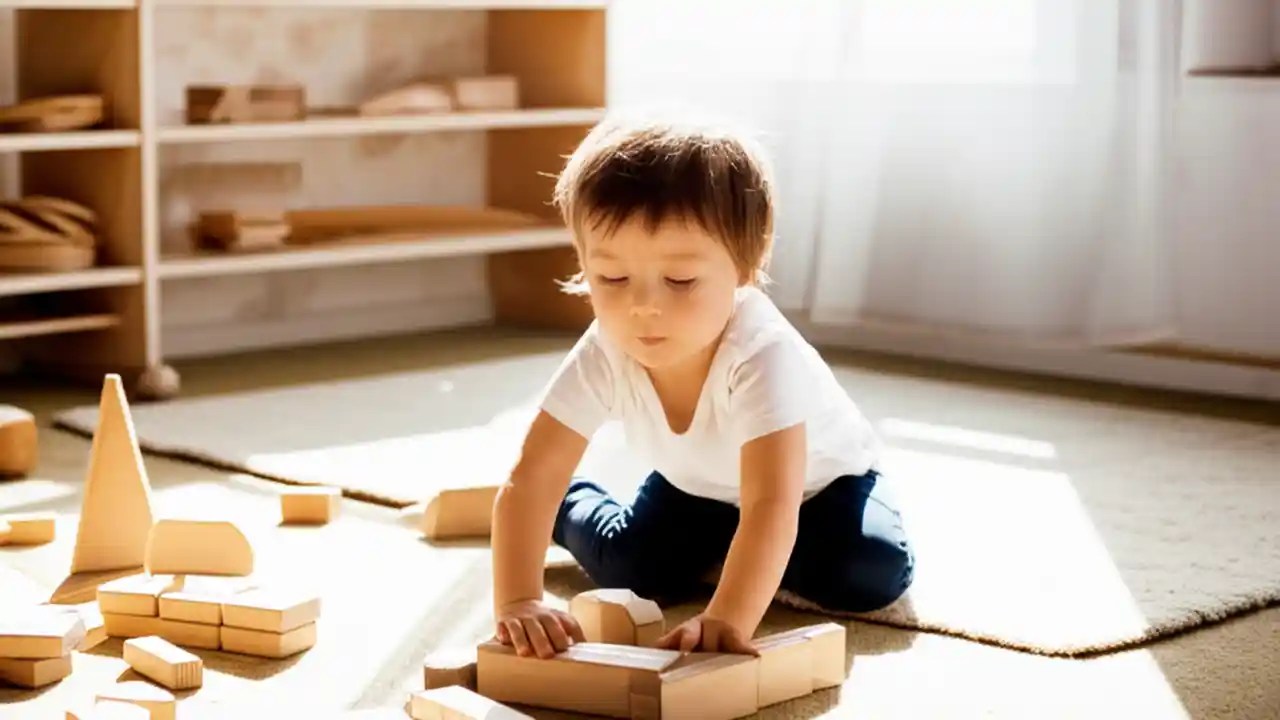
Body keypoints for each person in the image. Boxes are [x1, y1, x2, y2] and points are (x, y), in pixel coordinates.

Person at [490, 112, 914, 660]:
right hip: (697, 488)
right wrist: (518, 599)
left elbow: (771, 501)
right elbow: (533, 475)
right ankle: (574, 507)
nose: (643, 305)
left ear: (744, 266)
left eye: (681, 280)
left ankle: (734, 559)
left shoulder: (763, 355)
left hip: (818, 489)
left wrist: (726, 617)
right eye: (611, 278)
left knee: (867, 572)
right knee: (629, 568)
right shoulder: (606, 347)